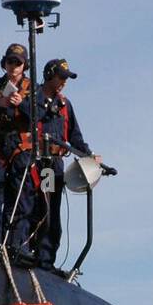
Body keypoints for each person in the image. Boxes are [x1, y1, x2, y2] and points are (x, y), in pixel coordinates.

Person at [22, 58, 103, 268]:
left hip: (53, 165)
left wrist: (89, 154)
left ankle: (46, 258)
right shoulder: (32, 99)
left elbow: (75, 136)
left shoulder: (65, 105)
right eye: (61, 77)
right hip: (35, 161)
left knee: (50, 210)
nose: (63, 83)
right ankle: (28, 250)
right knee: (35, 207)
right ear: (50, 75)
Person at [0, 43, 32, 236]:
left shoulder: (33, 89)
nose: (14, 66)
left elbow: (39, 117)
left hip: (21, 149)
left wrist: (22, 105)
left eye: (18, 63)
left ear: (24, 65)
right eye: (10, 61)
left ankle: (16, 244)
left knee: (21, 197)